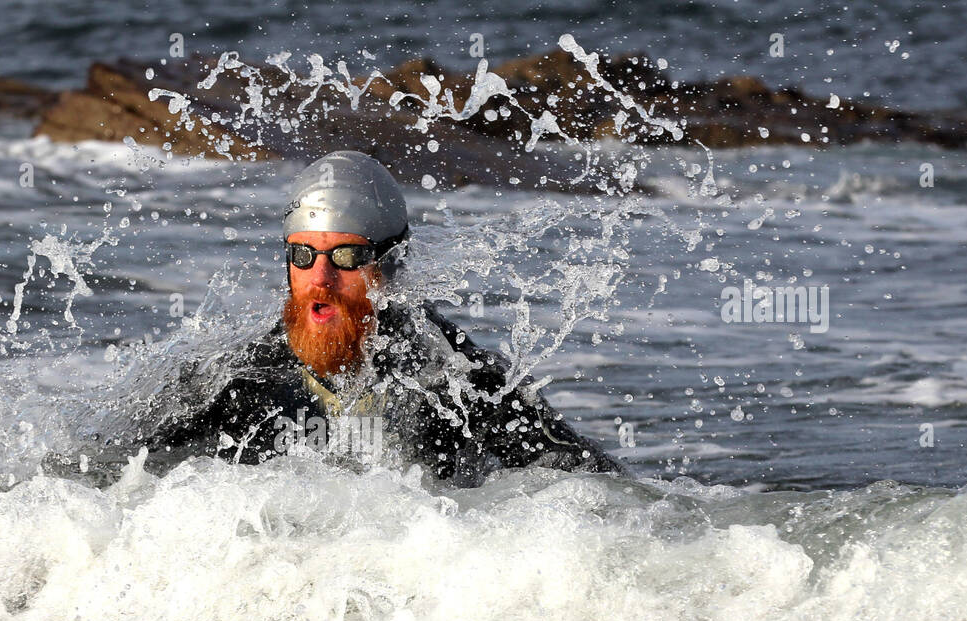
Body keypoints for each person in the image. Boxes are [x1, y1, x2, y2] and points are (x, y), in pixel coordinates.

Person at [141, 150, 626, 484]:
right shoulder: (238, 378)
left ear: (390, 266)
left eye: (348, 257)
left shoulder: (454, 379)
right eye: (303, 256)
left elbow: (596, 490)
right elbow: (110, 481)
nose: (322, 279)